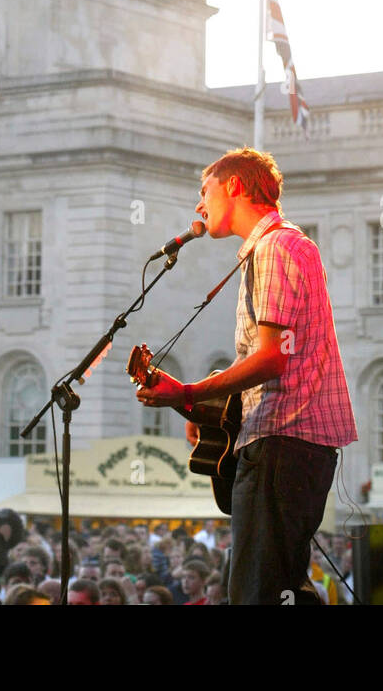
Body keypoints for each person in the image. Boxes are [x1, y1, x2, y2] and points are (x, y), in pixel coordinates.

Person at [137, 146, 357, 606]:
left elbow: (272, 360)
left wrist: (193, 391)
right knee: (281, 587)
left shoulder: (276, 246)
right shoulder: (272, 247)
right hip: (288, 444)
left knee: (257, 592)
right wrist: (202, 406)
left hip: (283, 441)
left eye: (205, 191)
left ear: (234, 185)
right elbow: (273, 363)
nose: (199, 206)